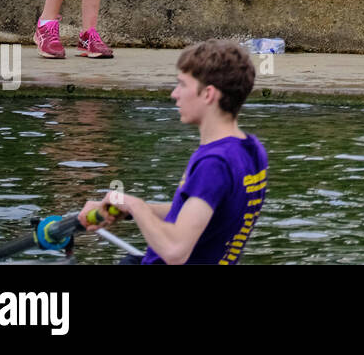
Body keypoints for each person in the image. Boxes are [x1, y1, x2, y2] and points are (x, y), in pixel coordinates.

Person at [81, 40, 268, 264]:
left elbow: (175, 251)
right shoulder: (252, 149)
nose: (174, 94)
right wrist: (130, 211)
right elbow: (198, 212)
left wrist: (134, 205)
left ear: (208, 94)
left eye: (182, 85)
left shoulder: (214, 163)